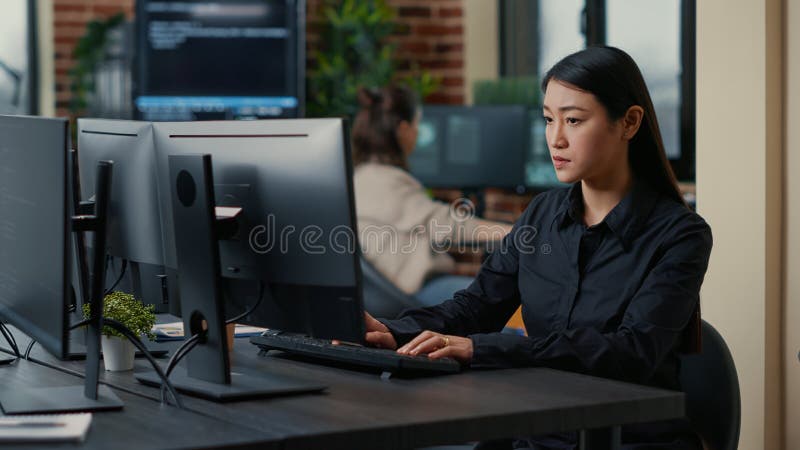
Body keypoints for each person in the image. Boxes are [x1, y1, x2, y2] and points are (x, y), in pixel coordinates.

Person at [361, 46, 711, 449]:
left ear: (629, 122)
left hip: (628, 439)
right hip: (538, 434)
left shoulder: (681, 235)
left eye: (574, 120)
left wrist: (486, 349)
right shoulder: (541, 215)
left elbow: (631, 352)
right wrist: (393, 331)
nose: (555, 138)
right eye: (548, 119)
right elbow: (476, 306)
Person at [351, 85, 512, 309]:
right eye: (417, 124)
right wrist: (515, 232)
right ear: (403, 129)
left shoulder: (361, 176)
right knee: (506, 304)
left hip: (393, 295)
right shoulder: (384, 181)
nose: (417, 133)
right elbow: (446, 224)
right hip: (414, 293)